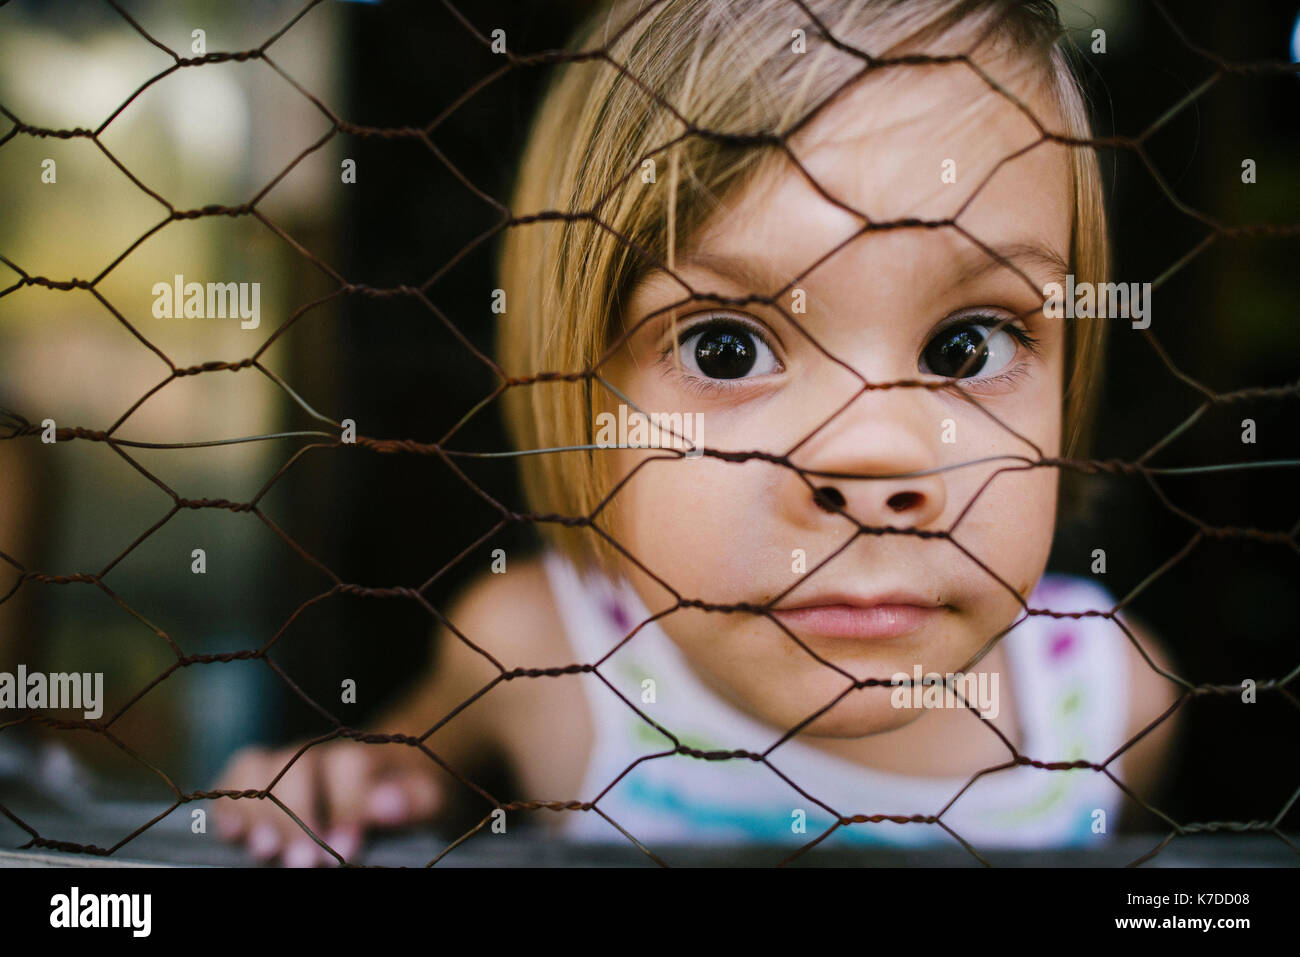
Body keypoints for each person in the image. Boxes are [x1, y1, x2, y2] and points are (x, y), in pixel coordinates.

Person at [214, 0, 1181, 866]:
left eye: (966, 348)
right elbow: (391, 783)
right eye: (725, 349)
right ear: (581, 389)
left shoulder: (1108, 703)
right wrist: (339, 788)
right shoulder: (540, 656)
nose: (878, 457)